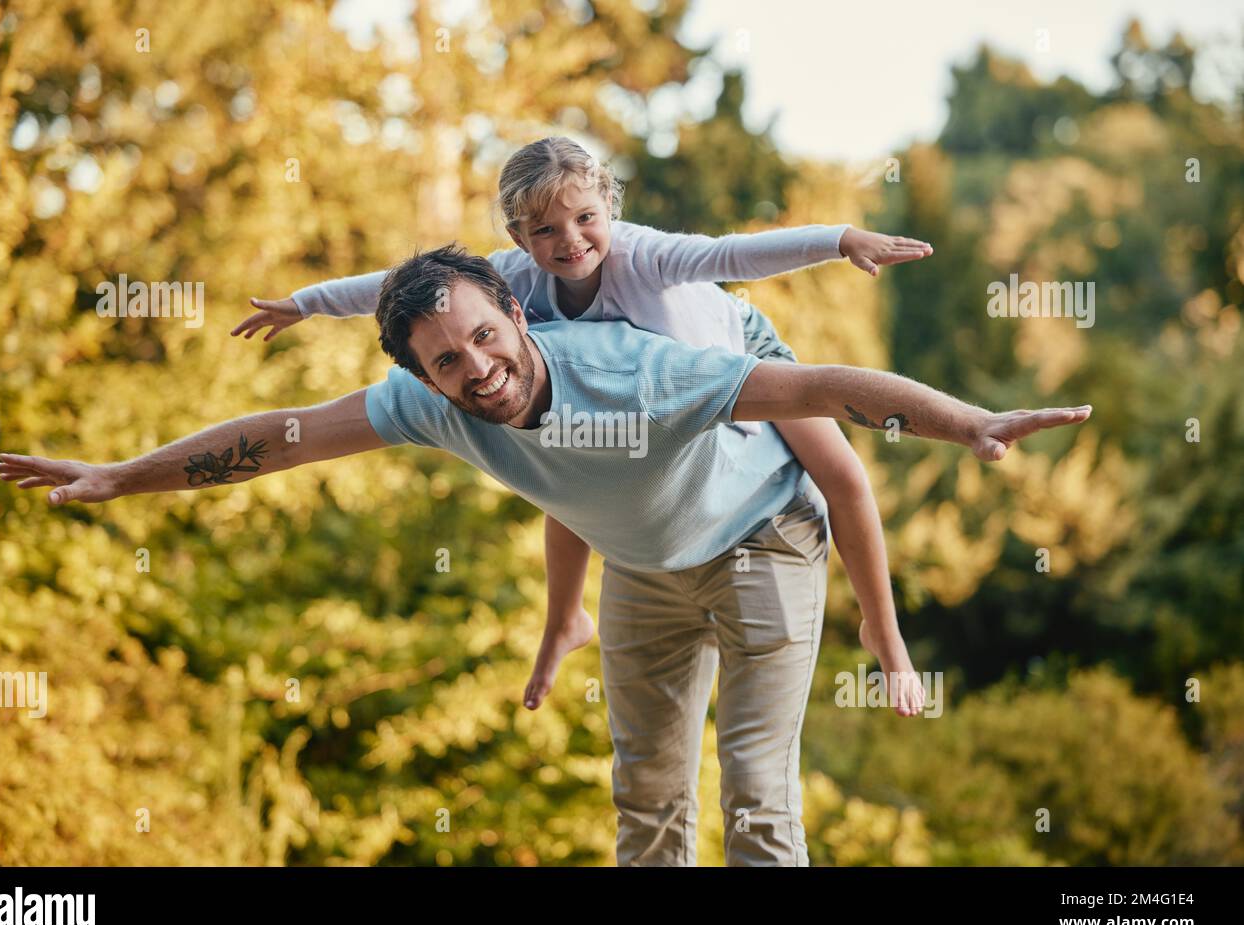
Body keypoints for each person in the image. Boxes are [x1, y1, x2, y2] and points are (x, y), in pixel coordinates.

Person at [0, 245, 1092, 866]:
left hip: (764, 537)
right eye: (445, 362)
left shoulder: (637, 368)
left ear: (516, 314)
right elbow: (275, 439)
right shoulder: (428, 409)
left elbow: (825, 391)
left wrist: (970, 421)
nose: (476, 371)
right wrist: (118, 476)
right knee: (646, 792)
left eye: (483, 337)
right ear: (421, 378)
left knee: (755, 793)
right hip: (646, 572)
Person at [232, 136, 935, 715]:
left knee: (839, 474)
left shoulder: (647, 255)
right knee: (568, 468)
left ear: (610, 208)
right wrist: (306, 303)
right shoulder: (512, 280)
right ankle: (567, 619)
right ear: (518, 237)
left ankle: (884, 628)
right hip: (623, 407)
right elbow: (391, 289)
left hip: (736, 358)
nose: (571, 242)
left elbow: (734, 253)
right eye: (546, 230)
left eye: (586, 219)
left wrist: (843, 240)